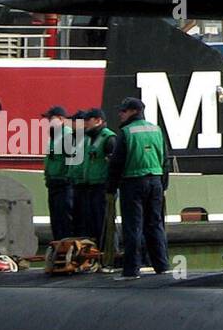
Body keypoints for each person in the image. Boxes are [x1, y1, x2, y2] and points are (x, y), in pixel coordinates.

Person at [108, 97, 170, 280]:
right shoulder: (156, 130)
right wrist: (163, 184)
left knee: (133, 226)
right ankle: (161, 265)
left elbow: (116, 163)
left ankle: (131, 270)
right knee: (155, 224)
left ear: (133, 111)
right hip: (156, 181)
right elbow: (165, 159)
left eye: (123, 111)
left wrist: (110, 188)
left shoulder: (127, 132)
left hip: (133, 182)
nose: (120, 114)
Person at [72, 107, 116, 245]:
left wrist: (111, 187)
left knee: (104, 224)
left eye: (87, 120)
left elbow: (113, 165)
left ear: (98, 121)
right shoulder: (89, 139)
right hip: (90, 187)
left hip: (102, 187)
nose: (85, 123)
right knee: (92, 224)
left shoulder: (109, 139)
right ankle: (95, 255)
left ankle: (109, 255)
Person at [41, 106, 75, 241]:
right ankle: (59, 247)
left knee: (64, 219)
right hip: (54, 183)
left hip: (63, 184)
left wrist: (67, 178)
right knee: (56, 220)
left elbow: (72, 160)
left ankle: (66, 248)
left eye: (51, 118)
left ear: (61, 119)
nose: (49, 121)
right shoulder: (54, 136)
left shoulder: (67, 135)